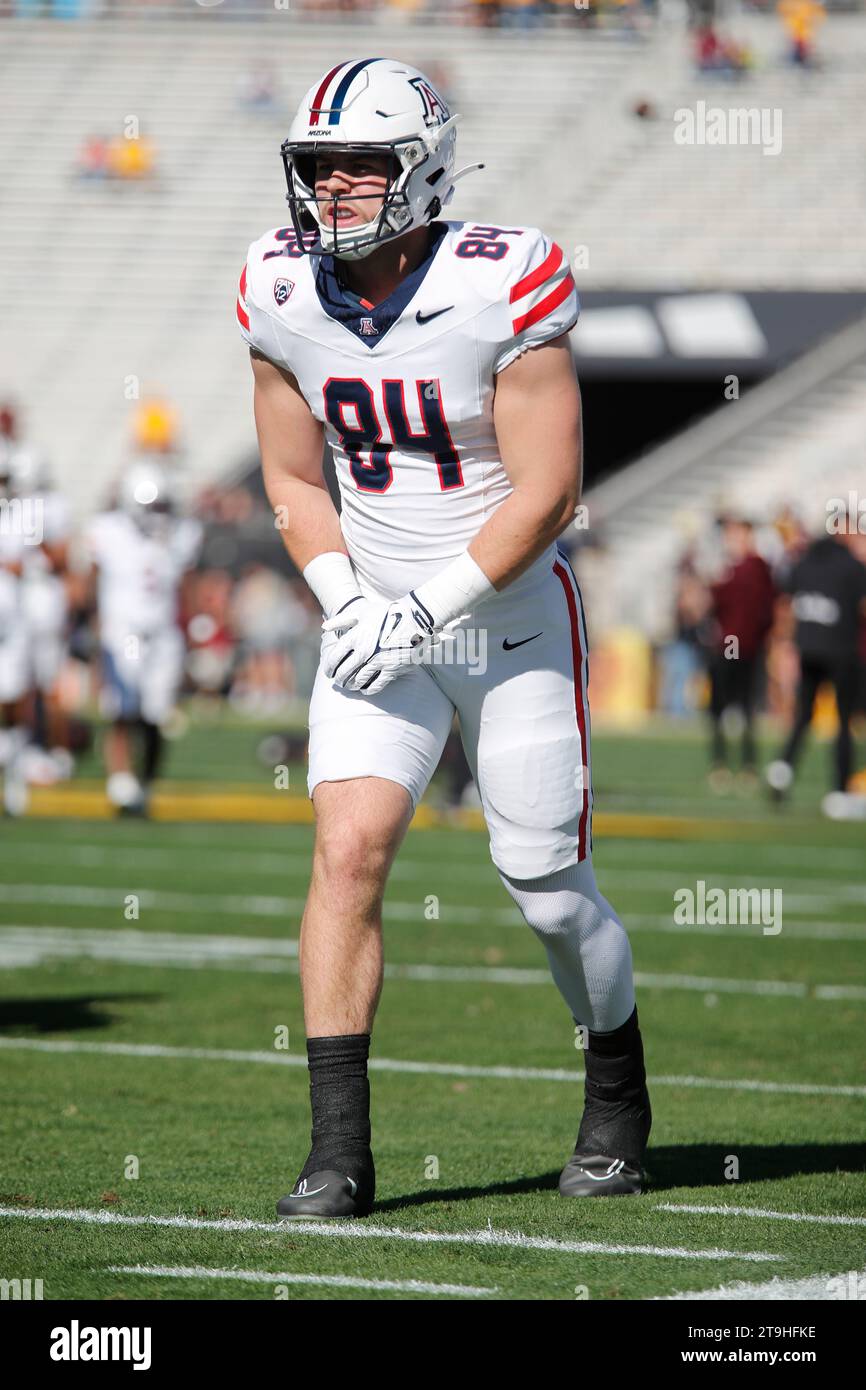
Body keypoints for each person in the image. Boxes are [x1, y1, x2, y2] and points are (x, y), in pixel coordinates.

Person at [238, 57, 651, 1220]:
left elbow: (549, 489)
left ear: (420, 169)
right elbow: (286, 473)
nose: (336, 190)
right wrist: (342, 590)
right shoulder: (277, 286)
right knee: (346, 852)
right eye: (318, 167)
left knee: (546, 888)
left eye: (361, 165)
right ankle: (336, 1151)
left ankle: (615, 1082)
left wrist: (425, 605)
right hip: (372, 618)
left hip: (505, 616)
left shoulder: (497, 282)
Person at [85, 463, 201, 815]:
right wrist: (92, 626)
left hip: (163, 634)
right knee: (122, 708)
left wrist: (192, 630)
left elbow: (186, 585)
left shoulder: (182, 533)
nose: (161, 514)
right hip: (123, 631)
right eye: (154, 506)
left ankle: (145, 786)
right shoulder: (108, 530)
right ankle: (120, 783)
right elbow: (91, 579)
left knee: (155, 715)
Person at [766, 522, 866, 818]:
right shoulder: (852, 566)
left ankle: (782, 769)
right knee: (844, 721)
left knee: (803, 716)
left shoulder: (805, 560)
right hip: (840, 652)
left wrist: (785, 640)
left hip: (807, 649)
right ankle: (839, 792)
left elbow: (786, 599)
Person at [706, 517, 776, 789]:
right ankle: (720, 764)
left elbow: (766, 608)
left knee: (746, 708)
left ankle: (747, 765)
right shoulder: (725, 568)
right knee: (718, 709)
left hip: (745, 648)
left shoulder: (756, 567)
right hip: (725, 647)